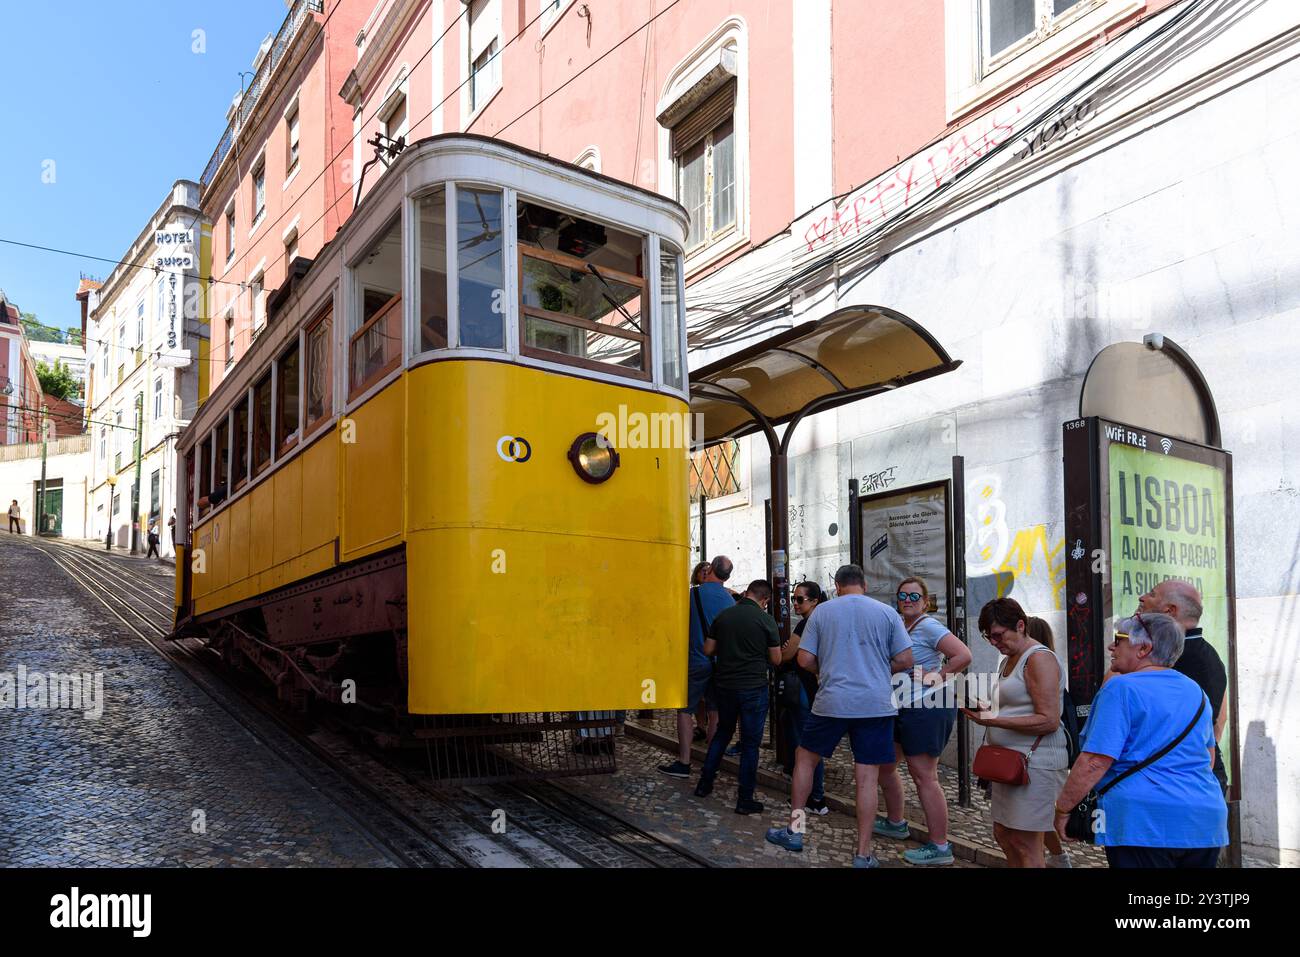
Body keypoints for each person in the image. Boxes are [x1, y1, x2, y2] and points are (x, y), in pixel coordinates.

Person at [766, 564, 913, 868]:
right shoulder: (886, 613)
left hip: (832, 701)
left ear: (836, 585)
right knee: (867, 777)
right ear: (865, 584)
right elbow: (906, 659)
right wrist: (877, 671)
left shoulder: (822, 612)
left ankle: (795, 831)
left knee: (805, 759)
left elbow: (805, 659)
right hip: (875, 704)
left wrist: (825, 670)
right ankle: (862, 853)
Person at [1053, 613, 1228, 867]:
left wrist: (1063, 809)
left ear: (1144, 648)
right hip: (1203, 820)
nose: (1112, 647)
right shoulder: (1194, 690)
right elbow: (1208, 758)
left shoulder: (1121, 688)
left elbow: (1094, 761)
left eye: (1119, 639)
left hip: (1143, 822)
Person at [963, 598, 1068, 868]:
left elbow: (1049, 720)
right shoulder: (1010, 659)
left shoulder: (1039, 658)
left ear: (1021, 626)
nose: (994, 642)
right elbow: (1012, 708)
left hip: (1035, 765)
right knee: (1004, 835)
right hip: (1009, 764)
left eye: (998, 635)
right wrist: (984, 709)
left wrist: (993, 720)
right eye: (988, 636)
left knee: (1026, 844)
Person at [878, 576, 971, 866]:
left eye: (914, 597)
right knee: (886, 767)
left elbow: (963, 655)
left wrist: (935, 677)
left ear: (926, 602)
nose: (907, 601)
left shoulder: (928, 625)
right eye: (903, 596)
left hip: (925, 707)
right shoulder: (899, 624)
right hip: (902, 706)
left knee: (924, 776)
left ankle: (940, 847)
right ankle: (896, 823)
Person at [694, 579, 782, 813]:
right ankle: (744, 799)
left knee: (723, 732)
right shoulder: (766, 620)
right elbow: (776, 659)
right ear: (765, 600)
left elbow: (708, 650)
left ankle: (704, 784)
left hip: (725, 686)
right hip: (753, 688)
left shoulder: (724, 617)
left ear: (747, 593)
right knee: (751, 743)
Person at [1137, 580, 1228, 795]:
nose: (1142, 598)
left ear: (1169, 610)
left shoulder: (1171, 657)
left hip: (1178, 777)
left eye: (1151, 594)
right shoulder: (1208, 653)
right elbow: (1219, 721)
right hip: (1200, 771)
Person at [658, 555, 733, 779]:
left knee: (685, 710)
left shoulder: (693, 594)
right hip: (720, 663)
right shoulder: (729, 600)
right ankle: (711, 762)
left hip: (696, 660)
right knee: (714, 712)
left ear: (710, 569)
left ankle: (684, 762)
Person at [1025, 616, 1073, 868]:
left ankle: (1059, 858)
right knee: (1032, 821)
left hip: (1040, 754)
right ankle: (1058, 858)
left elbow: (1044, 716)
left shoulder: (1044, 665)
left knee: (1037, 822)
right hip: (1030, 754)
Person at [778, 581, 827, 814]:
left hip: (805, 691)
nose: (794, 603)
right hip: (817, 691)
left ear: (814, 601)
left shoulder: (806, 625)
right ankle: (814, 794)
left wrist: (785, 649)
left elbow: (786, 654)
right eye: (793, 598)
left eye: (799, 599)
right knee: (812, 743)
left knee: (807, 746)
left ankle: (814, 798)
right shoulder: (823, 621)